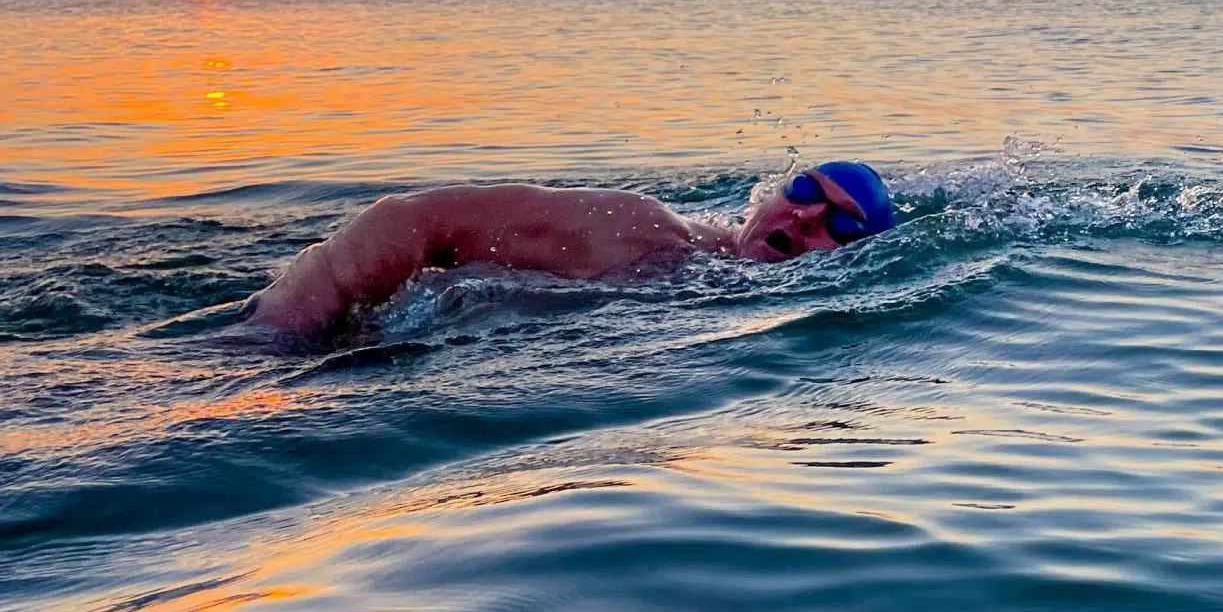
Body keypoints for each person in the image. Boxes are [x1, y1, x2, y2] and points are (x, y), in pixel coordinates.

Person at [245, 161, 898, 338]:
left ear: (857, 255)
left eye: (840, 223)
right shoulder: (638, 225)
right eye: (806, 190)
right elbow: (409, 218)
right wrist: (286, 334)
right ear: (767, 195)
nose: (808, 215)